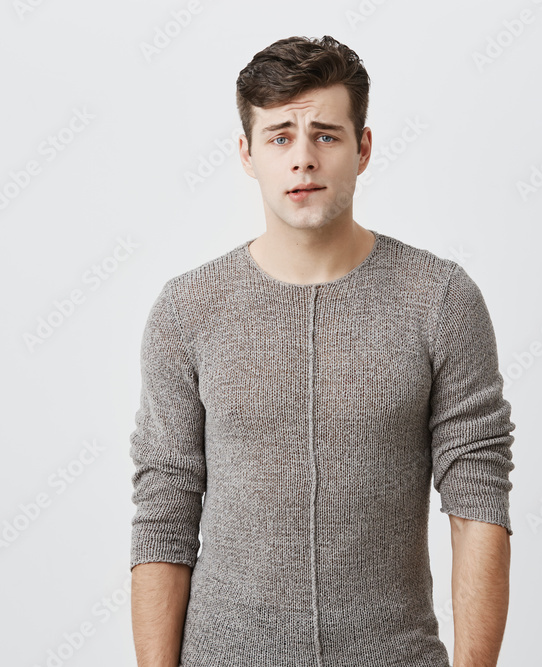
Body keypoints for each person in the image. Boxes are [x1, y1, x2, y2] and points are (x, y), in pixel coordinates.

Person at [129, 35, 515, 667]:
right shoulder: (187, 310)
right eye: (279, 137)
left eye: (326, 135)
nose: (303, 159)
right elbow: (165, 509)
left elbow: (477, 499)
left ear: (362, 149)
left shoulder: (440, 299)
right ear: (247, 154)